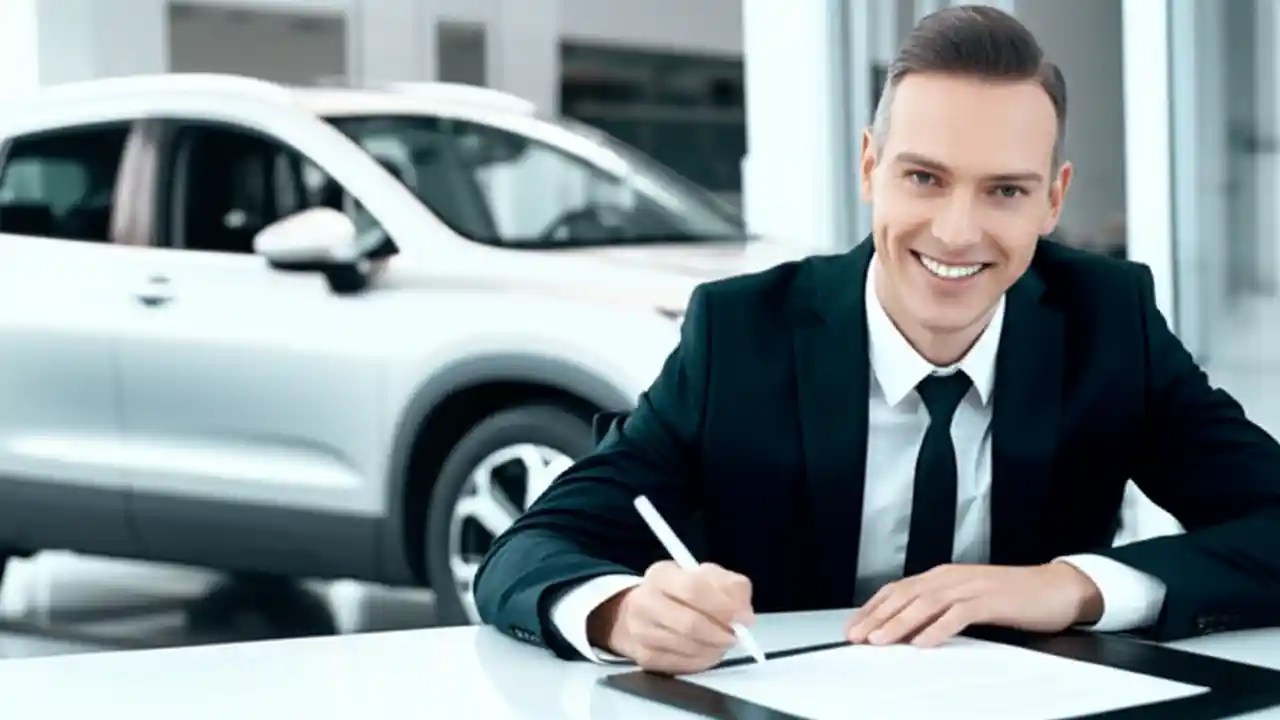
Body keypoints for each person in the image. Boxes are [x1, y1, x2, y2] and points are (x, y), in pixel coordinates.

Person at [473, 5, 1280, 675]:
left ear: (1053, 200)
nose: (957, 232)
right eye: (924, 178)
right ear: (870, 168)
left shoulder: (1110, 322)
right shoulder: (740, 332)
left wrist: (1069, 587)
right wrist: (620, 612)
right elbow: (531, 548)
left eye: (1004, 190)